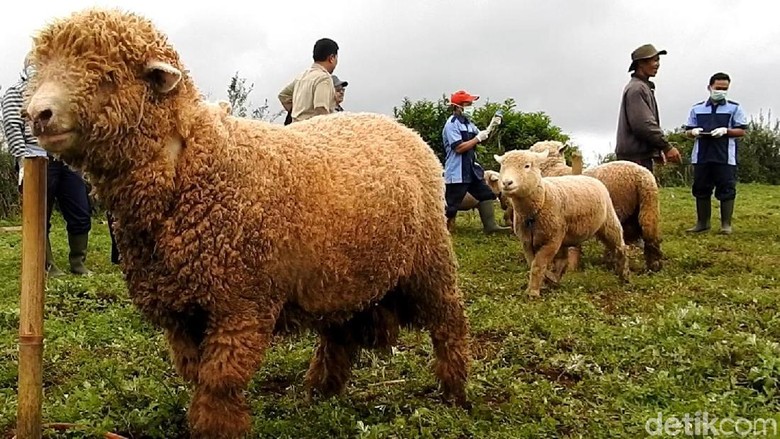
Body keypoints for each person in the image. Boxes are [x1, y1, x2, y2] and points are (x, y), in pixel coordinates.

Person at [1, 54, 93, 276]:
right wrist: (24, 162)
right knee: (39, 215)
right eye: (34, 64)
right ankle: (48, 265)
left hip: (67, 160)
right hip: (36, 160)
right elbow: (13, 129)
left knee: (81, 212)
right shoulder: (15, 93)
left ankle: (78, 262)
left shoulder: (60, 92)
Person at [684, 72, 748, 235]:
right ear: (710, 87)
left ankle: (726, 224)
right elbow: (687, 131)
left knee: (726, 188)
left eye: (725, 88)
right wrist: (694, 132)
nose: (721, 91)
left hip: (725, 156)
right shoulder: (696, 108)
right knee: (701, 188)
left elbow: (742, 131)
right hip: (701, 156)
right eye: (718, 88)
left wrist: (726, 131)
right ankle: (702, 223)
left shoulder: (735, 107)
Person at [442, 90, 508, 234]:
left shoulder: (469, 124)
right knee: (450, 205)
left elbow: (482, 140)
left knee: (486, 194)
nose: (472, 106)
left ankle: (491, 227)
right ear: (457, 107)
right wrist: (477, 138)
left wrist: (492, 126)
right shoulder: (451, 125)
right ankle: (442, 230)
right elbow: (459, 148)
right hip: (457, 171)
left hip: (471, 169)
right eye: (468, 104)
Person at [615, 43, 681, 171]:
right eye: (654, 60)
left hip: (638, 157)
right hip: (635, 159)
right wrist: (666, 147)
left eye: (658, 60)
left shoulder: (642, 87)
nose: (657, 64)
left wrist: (655, 151)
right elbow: (643, 125)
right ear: (641, 64)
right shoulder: (637, 88)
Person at [279, 38, 339, 124]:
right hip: (311, 132)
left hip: (294, 129)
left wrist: (296, 112)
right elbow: (321, 109)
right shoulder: (323, 78)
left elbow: (283, 96)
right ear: (331, 58)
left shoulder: (302, 76)